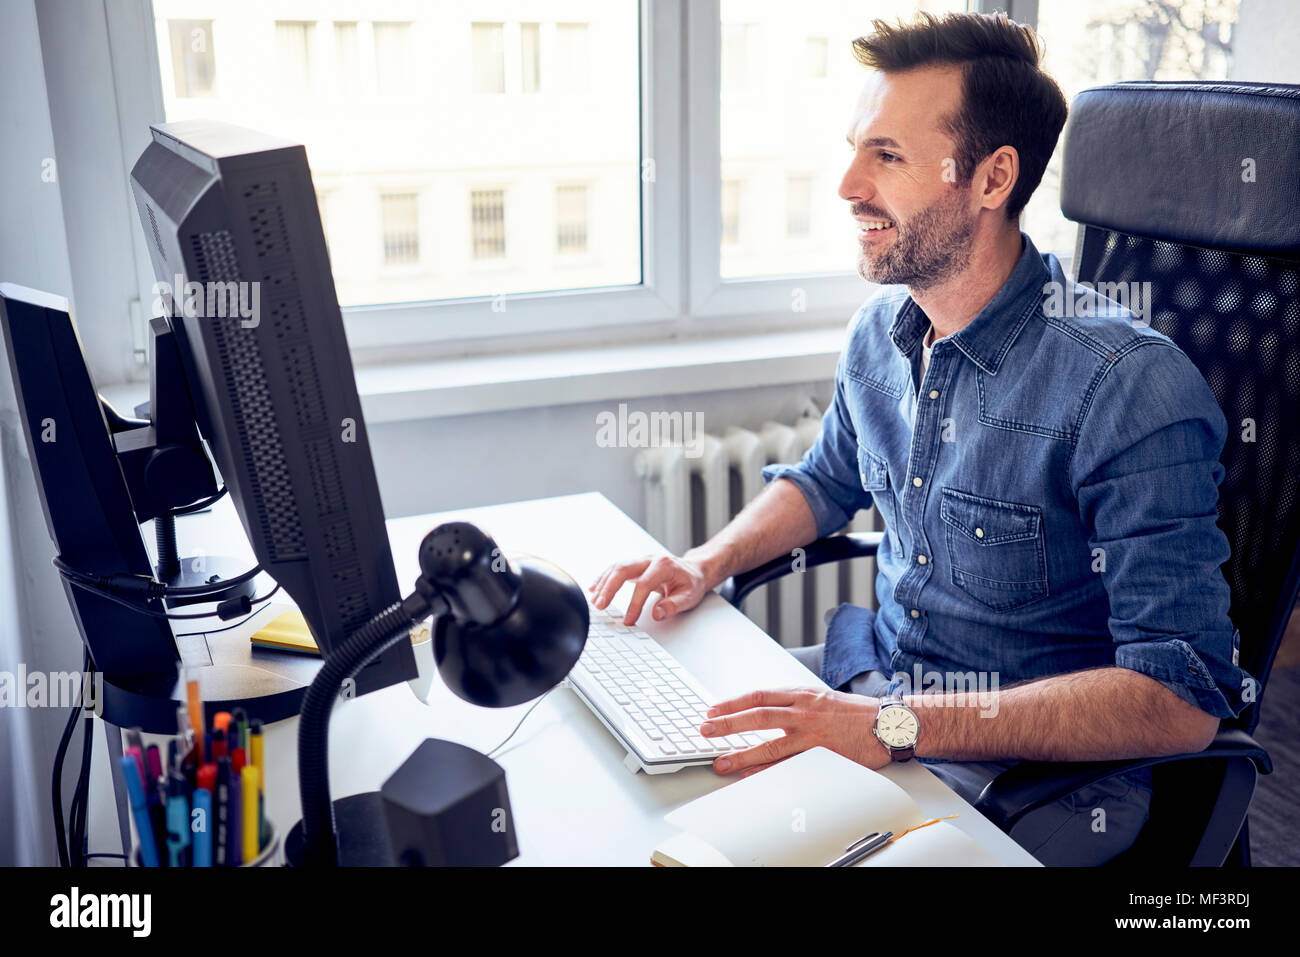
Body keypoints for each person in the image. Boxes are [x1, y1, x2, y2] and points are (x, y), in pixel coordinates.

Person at [588, 11, 1256, 865]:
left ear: (990, 178)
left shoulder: (1126, 386)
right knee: (651, 795)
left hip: (1033, 782)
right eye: (857, 147)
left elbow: (1179, 697)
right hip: (885, 699)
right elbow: (826, 479)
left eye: (887, 156)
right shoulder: (881, 332)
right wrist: (704, 563)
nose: (847, 184)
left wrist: (894, 726)